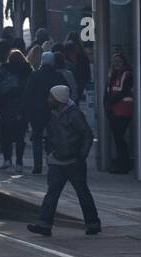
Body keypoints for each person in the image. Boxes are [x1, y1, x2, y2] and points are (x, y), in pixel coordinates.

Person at [28, 85, 101, 237]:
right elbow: (50, 135)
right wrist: (50, 152)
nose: (48, 99)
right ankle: (44, 224)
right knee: (52, 193)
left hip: (73, 160)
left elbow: (87, 134)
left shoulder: (74, 115)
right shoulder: (54, 114)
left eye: (51, 97)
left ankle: (93, 223)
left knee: (82, 193)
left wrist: (81, 156)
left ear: (59, 100)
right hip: (57, 160)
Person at [23, 51, 65, 174]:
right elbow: (67, 91)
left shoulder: (35, 75)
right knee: (52, 138)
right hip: (53, 111)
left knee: (37, 139)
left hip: (36, 112)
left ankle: (37, 166)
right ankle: (52, 164)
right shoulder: (58, 76)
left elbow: (27, 94)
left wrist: (26, 110)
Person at [0, 48, 33, 170]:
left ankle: (7, 160)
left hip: (6, 108)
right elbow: (29, 92)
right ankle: (19, 162)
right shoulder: (27, 71)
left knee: (6, 136)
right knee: (20, 138)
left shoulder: (4, 70)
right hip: (22, 108)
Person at [105, 51, 135, 173]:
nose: (117, 64)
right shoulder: (113, 75)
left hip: (123, 110)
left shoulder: (127, 74)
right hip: (115, 110)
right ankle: (122, 163)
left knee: (120, 138)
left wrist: (110, 101)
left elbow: (124, 92)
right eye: (115, 62)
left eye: (119, 62)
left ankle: (124, 164)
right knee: (118, 139)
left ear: (124, 63)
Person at [63, 32, 92, 102]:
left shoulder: (65, 53)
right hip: (80, 81)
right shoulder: (83, 55)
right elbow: (87, 71)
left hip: (68, 80)